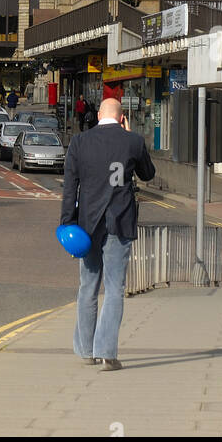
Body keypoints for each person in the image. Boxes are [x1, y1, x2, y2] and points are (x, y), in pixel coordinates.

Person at [60, 98, 155, 371]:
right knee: (114, 289)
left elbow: (70, 188)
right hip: (119, 222)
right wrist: (130, 137)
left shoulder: (79, 142)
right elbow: (148, 174)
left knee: (87, 287)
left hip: (88, 226)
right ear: (122, 117)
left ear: (99, 114)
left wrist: (67, 223)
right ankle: (107, 353)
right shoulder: (132, 141)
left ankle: (87, 350)